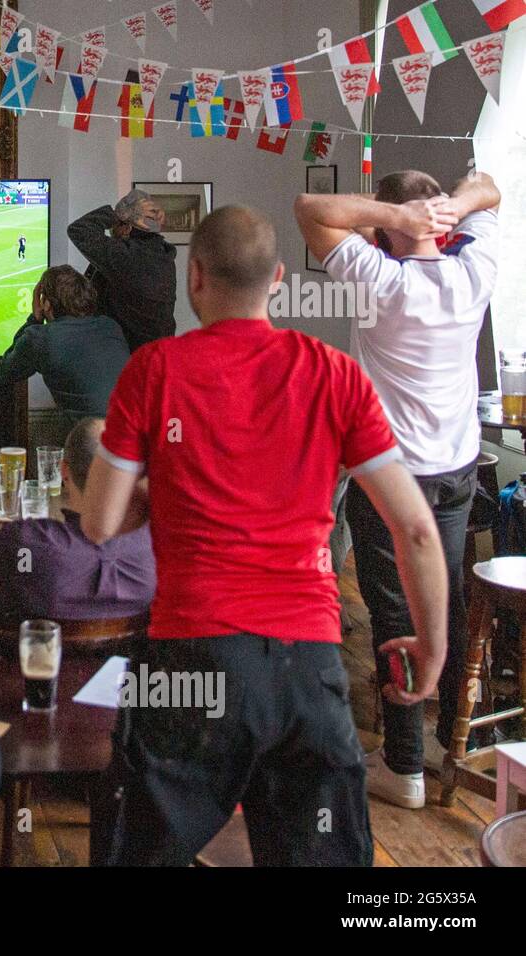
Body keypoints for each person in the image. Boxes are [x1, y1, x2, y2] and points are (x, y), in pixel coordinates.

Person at [81, 205, 450, 866]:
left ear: (195, 278)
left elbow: (100, 523)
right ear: (278, 278)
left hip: (194, 661)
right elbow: (417, 530)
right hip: (306, 665)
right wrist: (434, 641)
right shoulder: (336, 373)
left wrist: (158, 491)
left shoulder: (153, 370)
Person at [296, 169, 501, 809]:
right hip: (459, 470)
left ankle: (406, 766)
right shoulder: (474, 270)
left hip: (394, 477)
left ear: (384, 227)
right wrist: (445, 208)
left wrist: (406, 217)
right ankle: (448, 743)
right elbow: (488, 186)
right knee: (446, 594)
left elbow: (310, 208)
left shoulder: (380, 281)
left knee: (395, 614)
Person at [0, 417, 154, 656]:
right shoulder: (157, 545)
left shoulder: (28, 543)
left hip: (23, 677)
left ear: (64, 471)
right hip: (121, 683)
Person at [0, 266, 132, 430]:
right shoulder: (110, 325)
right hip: (140, 434)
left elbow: (6, 372)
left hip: (99, 441)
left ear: (46, 304)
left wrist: (35, 318)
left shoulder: (41, 337)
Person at [68, 189, 177, 351]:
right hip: (156, 355)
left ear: (127, 228)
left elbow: (79, 230)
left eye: (116, 225)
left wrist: (117, 214)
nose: (112, 231)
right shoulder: (162, 255)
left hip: (127, 357)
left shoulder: (127, 257)